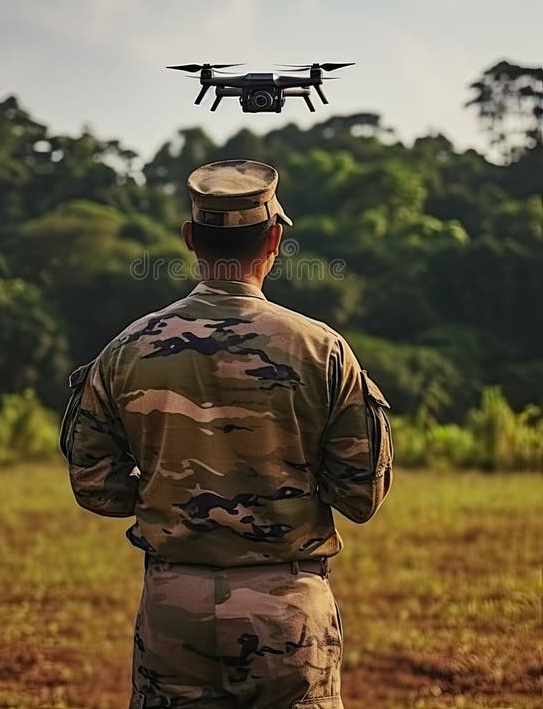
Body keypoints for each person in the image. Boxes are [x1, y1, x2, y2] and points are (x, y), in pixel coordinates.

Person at [60, 159, 393, 709]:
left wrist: (165, 493)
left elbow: (95, 483)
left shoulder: (127, 349)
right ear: (275, 239)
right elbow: (361, 495)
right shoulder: (322, 351)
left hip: (174, 609)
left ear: (191, 238)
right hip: (287, 612)